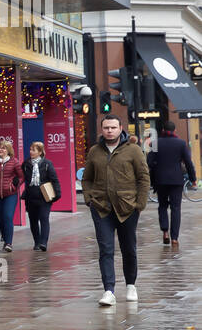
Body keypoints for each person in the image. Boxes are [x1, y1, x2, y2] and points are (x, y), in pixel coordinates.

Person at [83, 113, 151, 306]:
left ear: (120, 128)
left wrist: (140, 204)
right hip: (101, 207)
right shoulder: (95, 151)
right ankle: (108, 291)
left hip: (127, 207)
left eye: (113, 127)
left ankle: (131, 285)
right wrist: (89, 199)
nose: (109, 131)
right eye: (106, 127)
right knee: (105, 249)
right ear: (102, 129)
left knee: (129, 248)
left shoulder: (133, 150)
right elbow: (87, 178)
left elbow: (143, 178)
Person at [148, 119, 197, 250]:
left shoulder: (155, 143)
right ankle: (174, 237)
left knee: (162, 206)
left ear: (163, 130)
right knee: (176, 208)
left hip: (161, 180)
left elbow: (149, 162)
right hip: (176, 180)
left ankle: (165, 231)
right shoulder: (181, 143)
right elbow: (188, 162)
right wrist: (193, 179)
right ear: (175, 131)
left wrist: (154, 175)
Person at [20, 141, 61, 251]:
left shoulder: (47, 164)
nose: (31, 152)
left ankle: (44, 243)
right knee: (33, 220)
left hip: (44, 197)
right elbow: (21, 178)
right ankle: (37, 242)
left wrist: (57, 194)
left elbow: (54, 180)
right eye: (30, 149)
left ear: (40, 152)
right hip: (30, 196)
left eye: (34, 150)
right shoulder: (26, 164)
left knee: (44, 218)